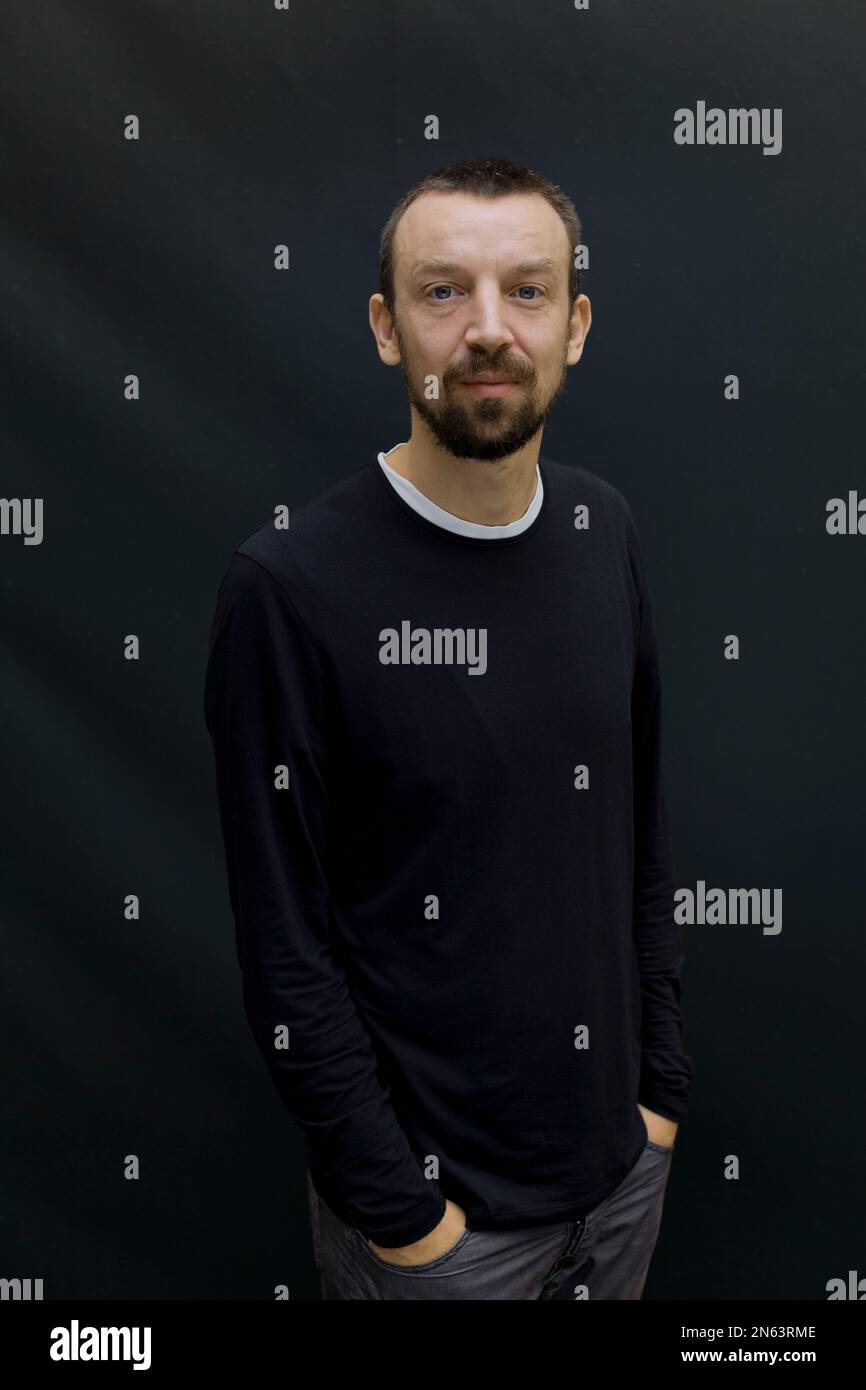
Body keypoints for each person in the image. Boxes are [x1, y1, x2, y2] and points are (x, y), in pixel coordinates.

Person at [203, 155, 694, 1300]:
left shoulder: (599, 526)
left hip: (618, 1185)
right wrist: (407, 1220)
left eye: (524, 291)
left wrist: (657, 1101)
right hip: (436, 1241)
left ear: (573, 325)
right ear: (386, 327)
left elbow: (640, 829)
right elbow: (285, 946)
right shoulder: (288, 587)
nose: (486, 329)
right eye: (441, 292)